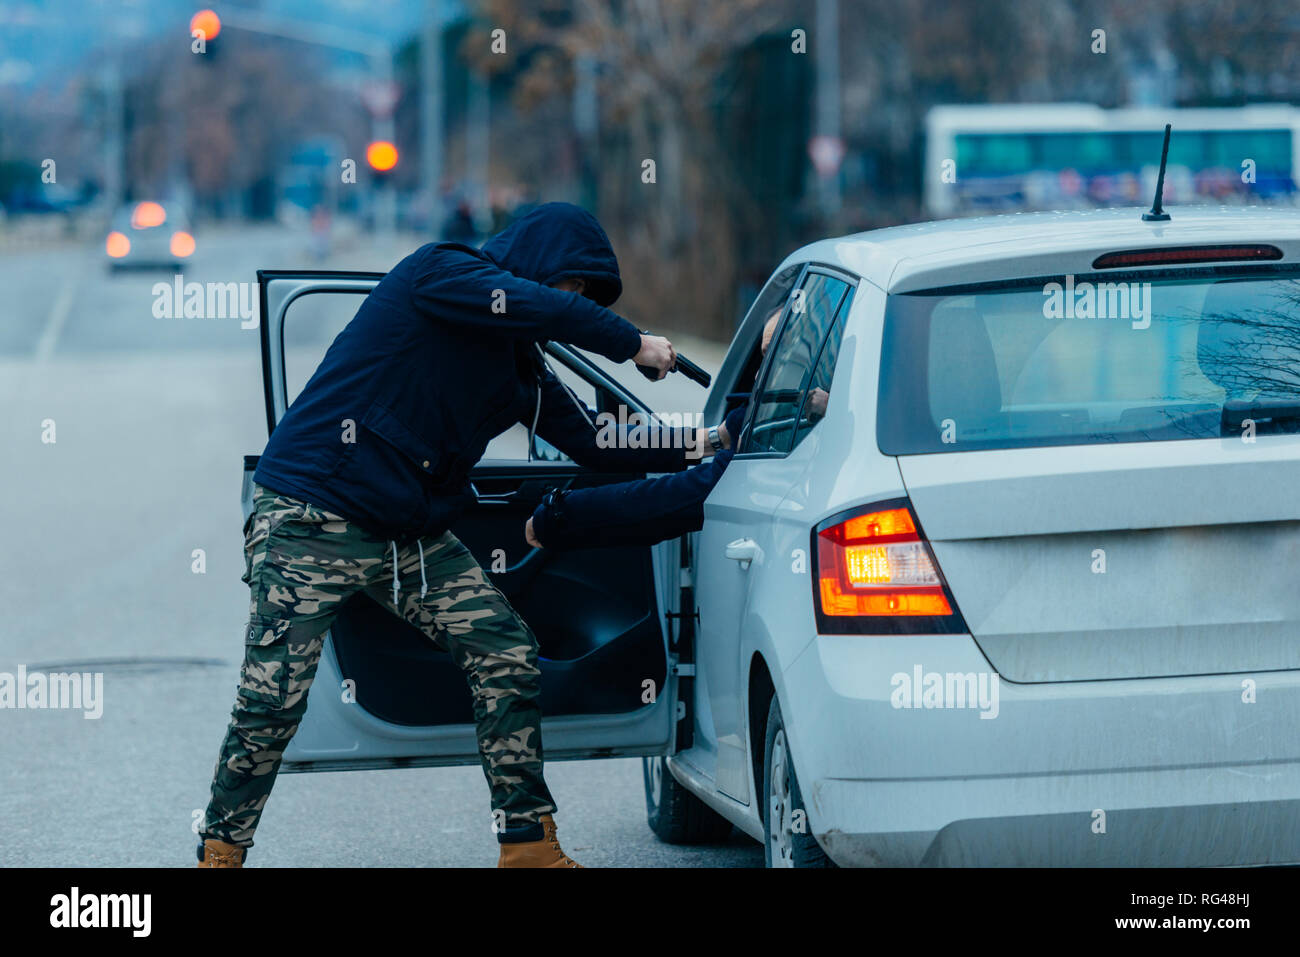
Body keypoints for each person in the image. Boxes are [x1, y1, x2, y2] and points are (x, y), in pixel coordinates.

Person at [197, 202, 727, 868]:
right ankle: (221, 851)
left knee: (505, 652)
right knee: (272, 699)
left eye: (586, 294)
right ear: (535, 264)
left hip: (405, 534)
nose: (574, 300)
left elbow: (599, 442)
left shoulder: (520, 373)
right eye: (571, 284)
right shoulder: (440, 273)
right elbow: (543, 309)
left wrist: (703, 442)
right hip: (312, 513)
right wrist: (633, 342)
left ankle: (529, 843)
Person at [525, 309, 829, 550]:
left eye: (779, 358)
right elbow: (595, 438)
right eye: (764, 358)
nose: (762, 373)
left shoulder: (782, 433)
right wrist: (717, 438)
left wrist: (563, 516)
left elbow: (676, 497)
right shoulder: (776, 421)